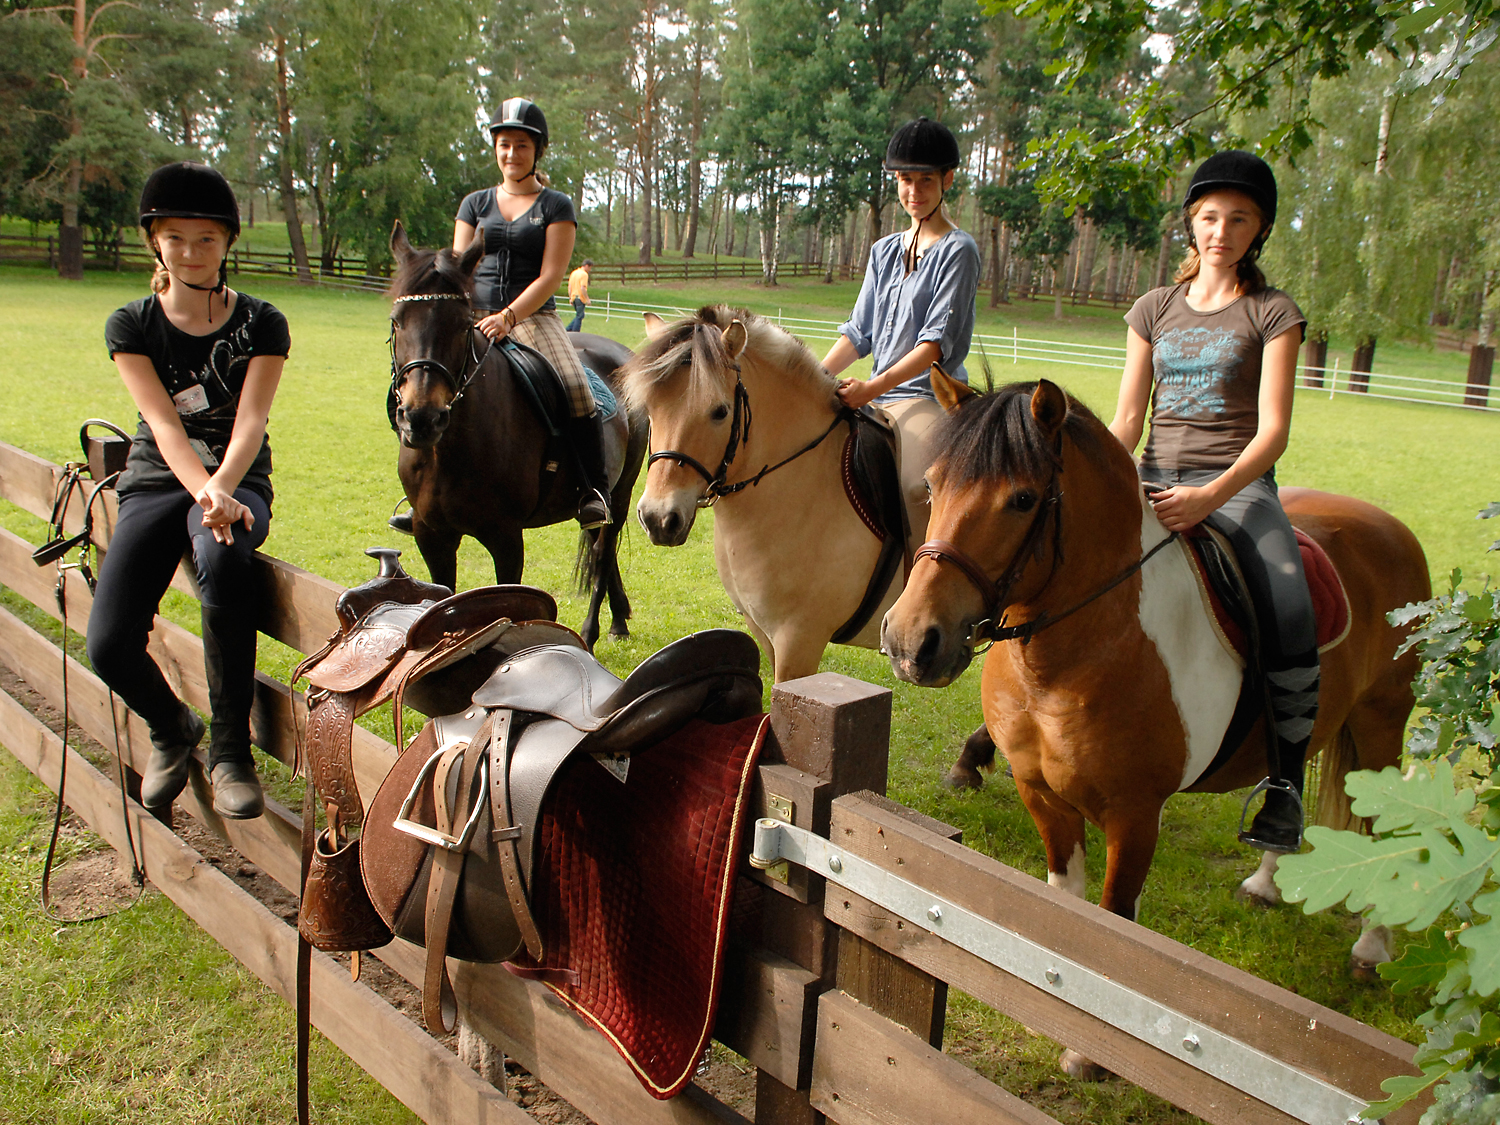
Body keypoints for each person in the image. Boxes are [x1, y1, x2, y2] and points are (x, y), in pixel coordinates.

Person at [1108, 150, 1314, 853]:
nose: (1219, 230)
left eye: (1237, 219)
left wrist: (1209, 497)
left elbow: (1275, 430)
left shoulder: (1272, 312)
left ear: (1258, 230)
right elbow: (1129, 418)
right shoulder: (1153, 309)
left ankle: (1285, 785)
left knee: (1288, 597)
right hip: (1152, 475)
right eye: (1207, 217)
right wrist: (1109, 478)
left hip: (1237, 486)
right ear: (1190, 225)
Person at [88, 162, 289, 821]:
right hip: (159, 475)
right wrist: (206, 492)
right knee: (109, 641)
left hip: (239, 474)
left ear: (228, 243)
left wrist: (226, 489)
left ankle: (233, 750)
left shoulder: (263, 322)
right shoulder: (131, 324)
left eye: (207, 239)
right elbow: (165, 427)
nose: (191, 253)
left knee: (227, 560)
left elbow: (252, 419)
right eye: (176, 238)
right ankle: (172, 725)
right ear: (155, 241)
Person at [392, 97, 608, 531]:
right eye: (505, 144)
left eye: (522, 145)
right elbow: (457, 264)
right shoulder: (474, 204)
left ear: (537, 151)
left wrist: (508, 317)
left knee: (577, 390)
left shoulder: (556, 206)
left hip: (533, 319)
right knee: (420, 383)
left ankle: (592, 490)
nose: (512, 153)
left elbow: (550, 276)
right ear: (496, 148)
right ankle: (420, 490)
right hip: (471, 315)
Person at [821, 117, 980, 539]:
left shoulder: (958, 251)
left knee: (916, 487)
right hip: (875, 394)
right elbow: (859, 334)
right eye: (905, 179)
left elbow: (933, 347)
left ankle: (922, 591)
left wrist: (871, 390)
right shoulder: (883, 250)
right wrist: (815, 379)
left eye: (925, 180)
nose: (913, 192)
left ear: (947, 179)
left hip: (927, 398)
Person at [566, 259, 592, 332]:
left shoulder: (574, 273)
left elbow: (569, 286)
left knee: (580, 315)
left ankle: (568, 330)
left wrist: (570, 297)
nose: (590, 270)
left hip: (574, 297)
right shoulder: (584, 274)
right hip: (580, 297)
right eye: (590, 268)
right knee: (579, 316)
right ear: (586, 266)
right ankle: (574, 332)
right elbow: (583, 287)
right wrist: (587, 299)